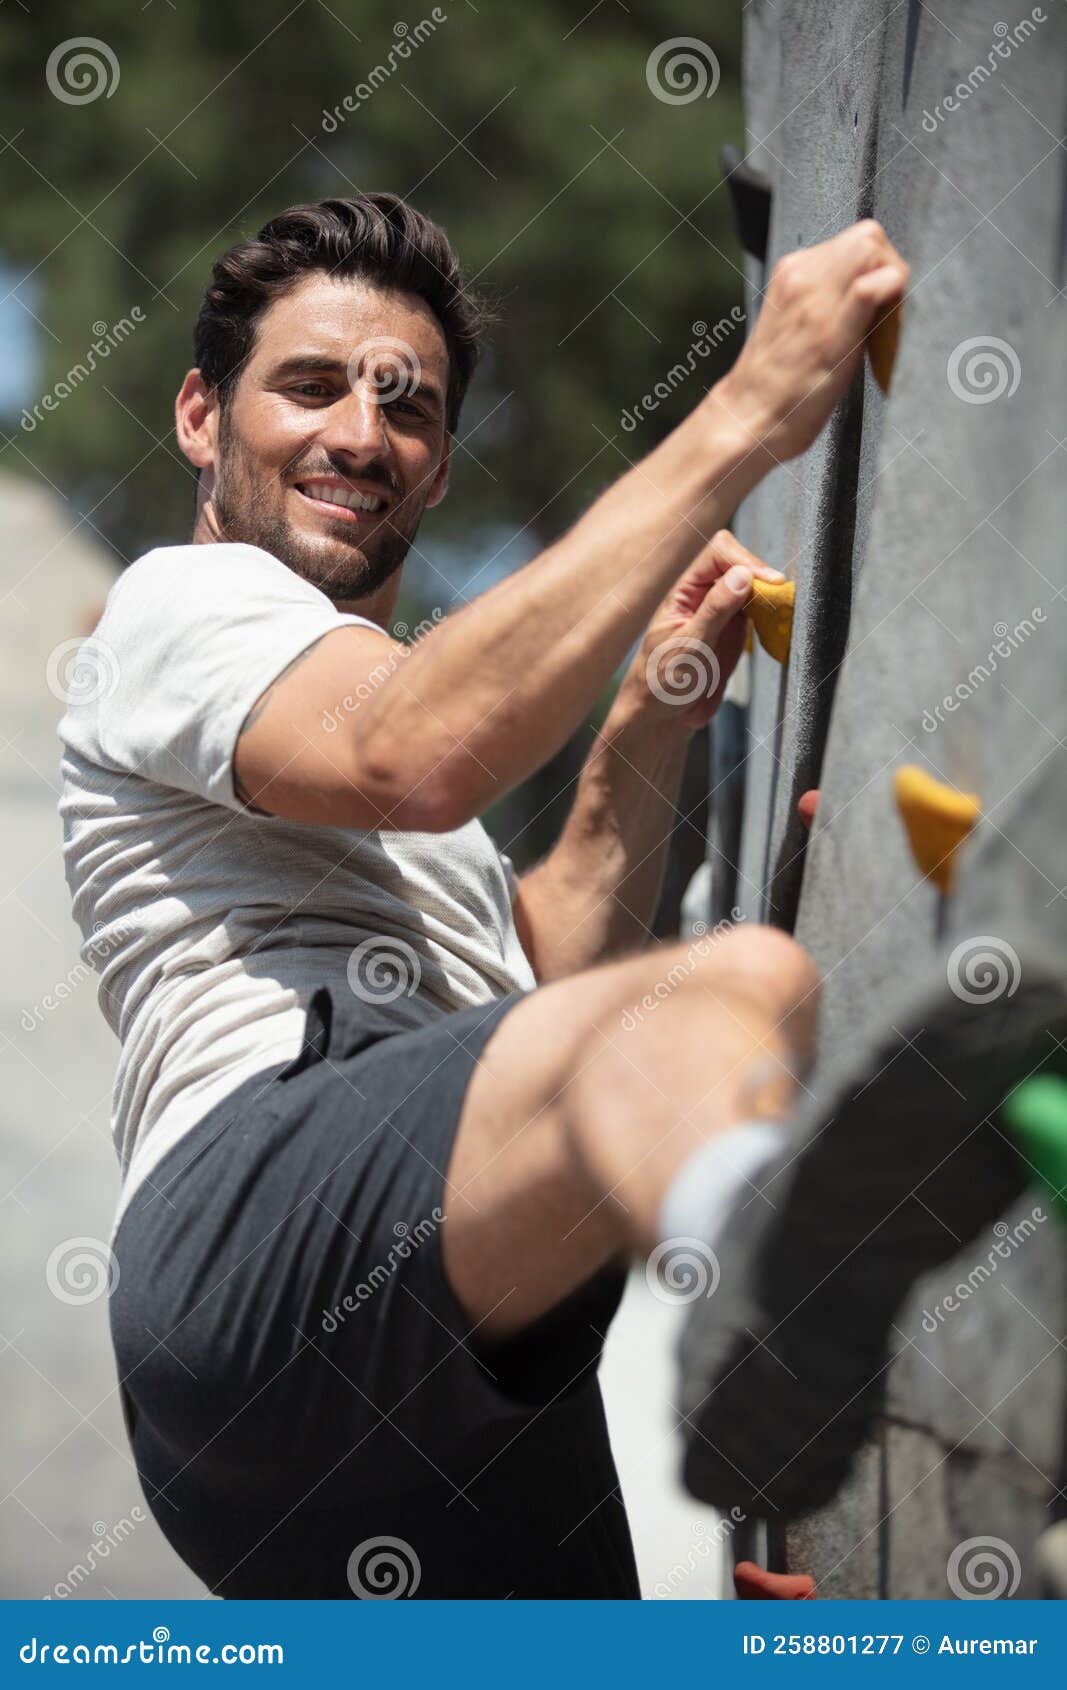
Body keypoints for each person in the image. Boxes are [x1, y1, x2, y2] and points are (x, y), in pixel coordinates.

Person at [58, 194, 907, 1598]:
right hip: (260, 1226)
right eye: (311, 386)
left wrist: (648, 720)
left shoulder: (367, 725)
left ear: (440, 465)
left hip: (396, 1380)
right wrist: (751, 410)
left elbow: (545, 965)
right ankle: (760, 1307)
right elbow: (413, 752)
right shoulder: (179, 606)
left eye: (408, 406)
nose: (360, 433)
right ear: (202, 418)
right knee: (741, 988)